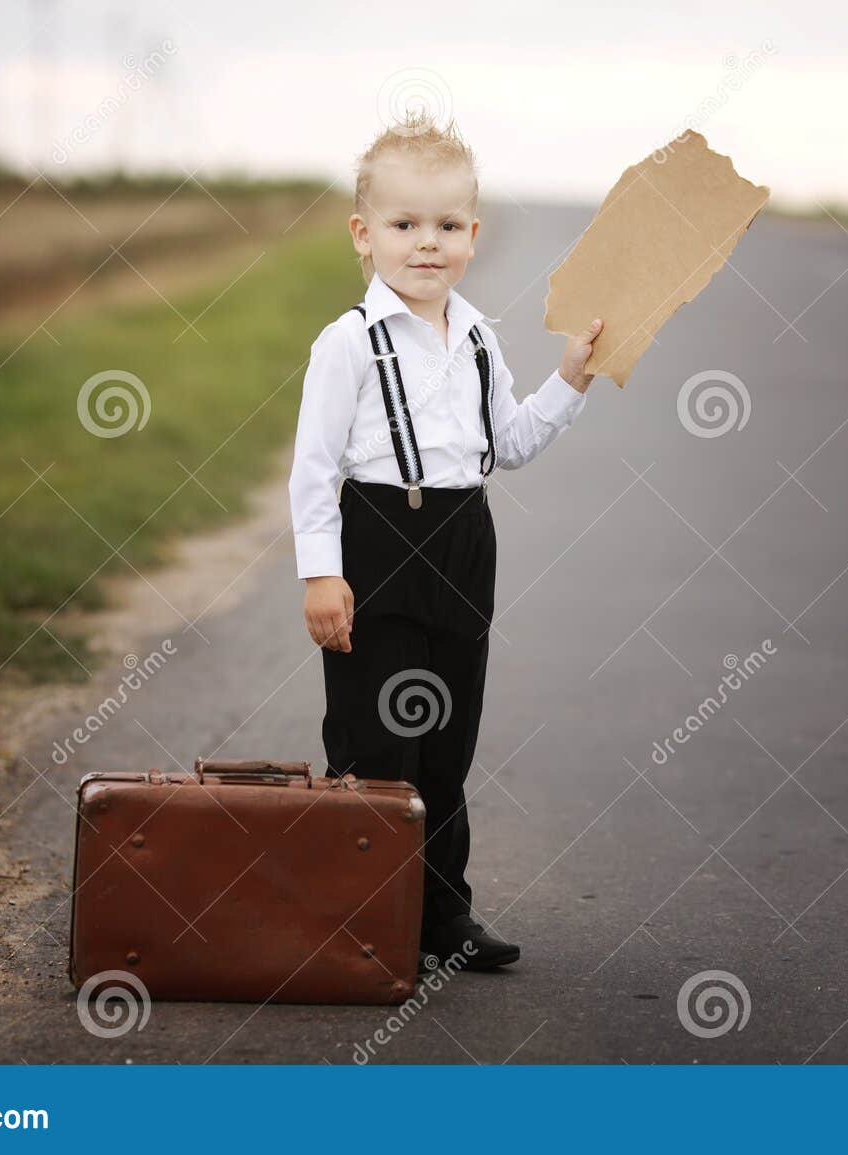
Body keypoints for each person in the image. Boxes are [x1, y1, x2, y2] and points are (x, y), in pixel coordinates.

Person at [288, 111, 603, 973]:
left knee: (445, 743)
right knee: (374, 743)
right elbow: (313, 470)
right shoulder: (346, 345)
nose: (426, 244)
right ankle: (360, 920)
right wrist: (323, 574)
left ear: (473, 235)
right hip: (379, 541)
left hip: (463, 540)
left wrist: (570, 376)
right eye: (404, 224)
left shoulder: (476, 339)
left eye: (447, 226)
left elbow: (512, 442)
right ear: (364, 235)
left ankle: (440, 915)